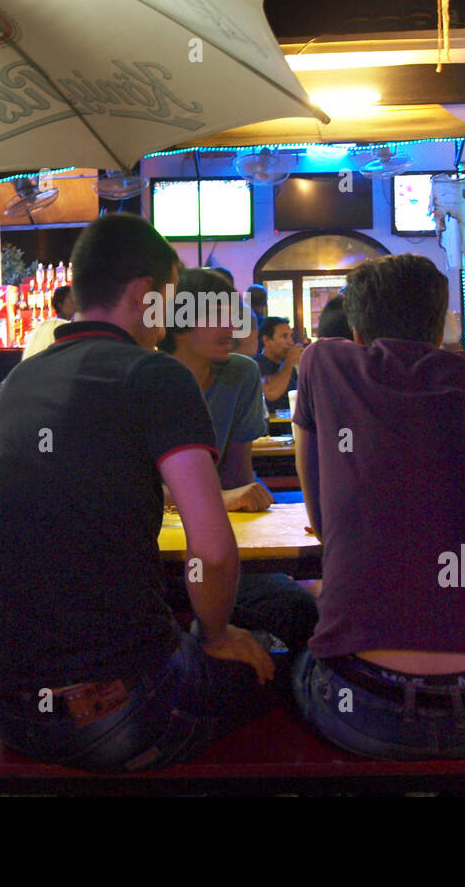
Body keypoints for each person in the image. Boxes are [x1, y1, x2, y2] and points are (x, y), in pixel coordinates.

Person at [0, 213, 275, 772]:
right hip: (120, 712)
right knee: (270, 671)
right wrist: (216, 633)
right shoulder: (156, 376)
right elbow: (211, 549)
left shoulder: (18, 381)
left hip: (8, 708)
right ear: (144, 294)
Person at [292, 253, 465, 758]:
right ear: (441, 323)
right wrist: (459, 502)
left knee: (292, 656)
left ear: (355, 330)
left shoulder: (322, 363)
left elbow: (321, 521)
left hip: (365, 706)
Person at [159, 267, 318, 651]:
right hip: (154, 555)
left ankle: (292, 697)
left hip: (216, 541)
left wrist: (267, 516)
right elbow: (134, 488)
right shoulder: (145, 380)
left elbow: (240, 476)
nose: (232, 325)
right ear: (179, 323)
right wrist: (226, 499)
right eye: (216, 315)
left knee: (302, 608)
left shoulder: (241, 375)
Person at [256, 316, 303, 413]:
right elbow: (271, 393)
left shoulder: (288, 366)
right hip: (272, 426)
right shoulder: (256, 364)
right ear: (267, 340)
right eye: (284, 336)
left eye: (291, 336)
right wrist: (289, 363)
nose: (291, 342)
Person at [21, 285, 77, 359]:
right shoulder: (56, 327)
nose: (76, 305)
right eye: (72, 301)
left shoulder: (45, 326)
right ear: (59, 304)